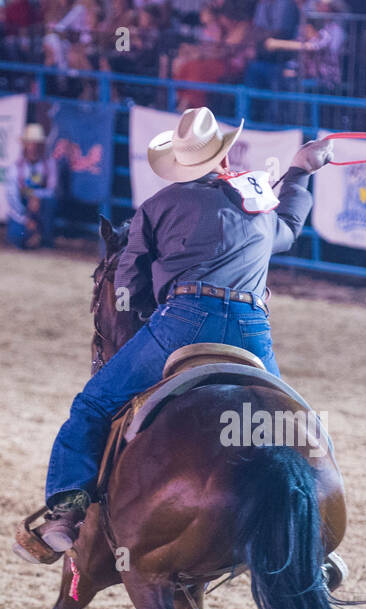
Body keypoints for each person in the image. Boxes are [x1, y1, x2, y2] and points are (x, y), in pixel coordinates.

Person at [38, 108, 335, 551]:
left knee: (93, 405)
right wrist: (299, 171)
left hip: (184, 321)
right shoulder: (253, 196)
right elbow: (289, 231)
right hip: (253, 328)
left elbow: (129, 285)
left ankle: (65, 514)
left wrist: (151, 311)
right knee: (298, 427)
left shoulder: (157, 207)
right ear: (222, 154)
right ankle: (315, 541)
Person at [7, 123, 61, 249]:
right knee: (16, 238)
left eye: (37, 144)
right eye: (31, 143)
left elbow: (53, 190)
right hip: (22, 210)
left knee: (50, 202)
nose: (34, 148)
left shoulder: (49, 164)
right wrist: (26, 219)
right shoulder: (15, 168)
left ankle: (44, 236)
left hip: (41, 208)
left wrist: (36, 196)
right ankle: (30, 234)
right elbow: (12, 198)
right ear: (25, 145)